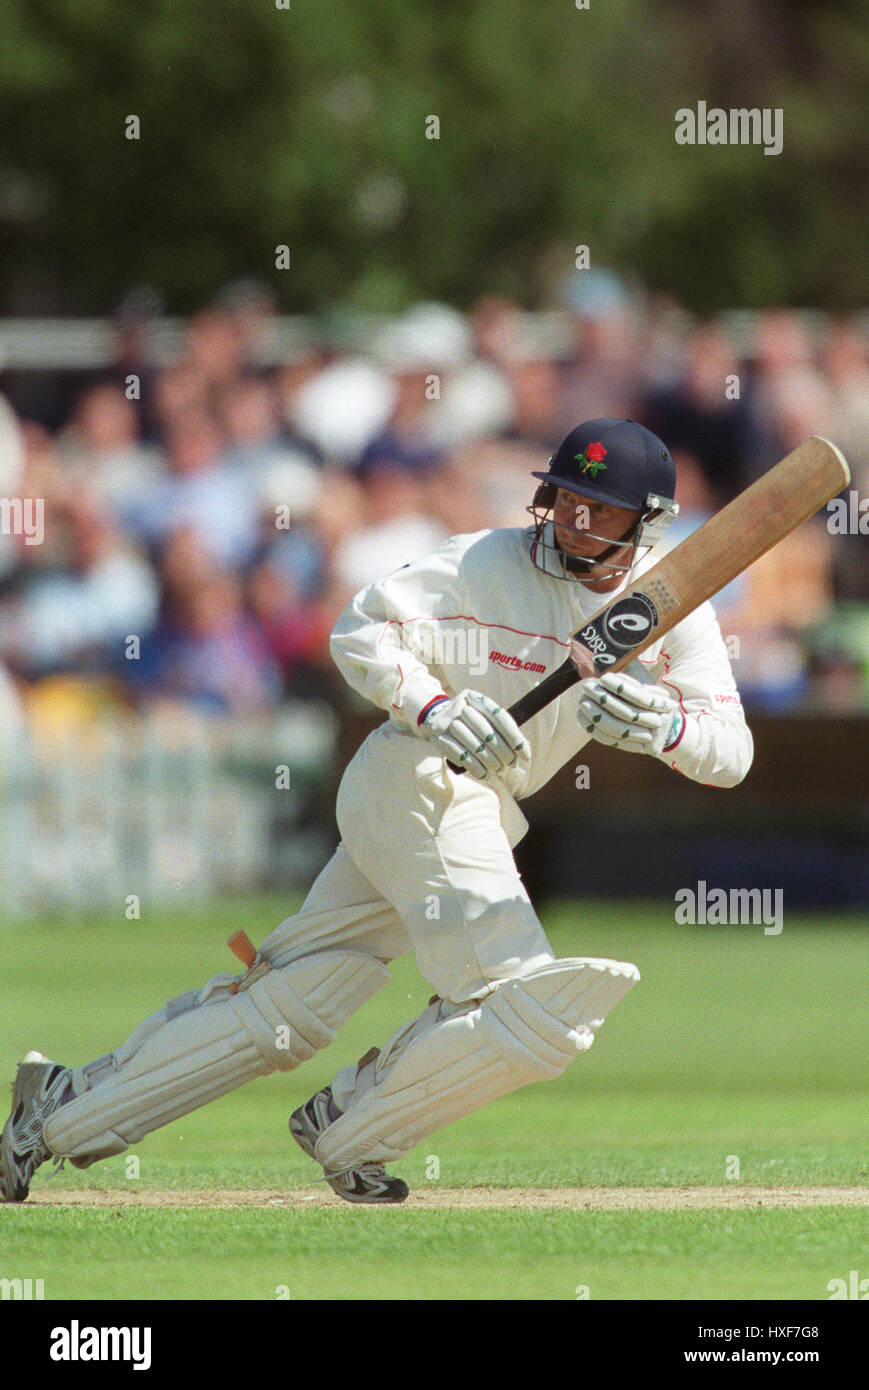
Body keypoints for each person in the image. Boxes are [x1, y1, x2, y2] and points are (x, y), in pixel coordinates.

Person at [1, 419, 753, 1206]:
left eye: (599, 508)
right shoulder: (482, 561)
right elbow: (358, 627)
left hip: (477, 806)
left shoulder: (675, 608)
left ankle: (56, 1113)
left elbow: (729, 754)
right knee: (530, 1007)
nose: (574, 519)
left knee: (292, 1006)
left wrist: (663, 727)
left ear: (648, 520)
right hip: (417, 774)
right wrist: (432, 704)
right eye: (566, 498)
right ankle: (354, 1123)